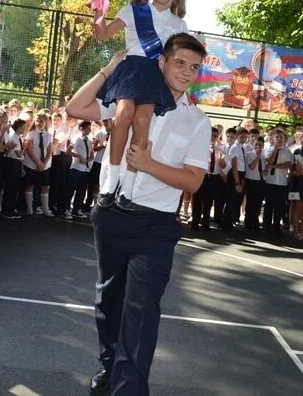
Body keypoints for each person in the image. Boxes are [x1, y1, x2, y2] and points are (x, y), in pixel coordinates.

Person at [66, 32, 209, 396]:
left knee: (141, 309)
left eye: (194, 66)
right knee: (108, 299)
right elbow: (75, 108)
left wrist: (149, 164)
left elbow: (193, 181)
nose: (187, 71)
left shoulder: (197, 121)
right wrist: (110, 67)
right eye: (180, 62)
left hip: (155, 225)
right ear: (160, 62)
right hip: (111, 213)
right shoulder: (127, 97)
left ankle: (128, 388)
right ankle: (110, 365)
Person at [92, 0, 189, 210]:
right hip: (132, 68)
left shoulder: (179, 25)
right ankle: (111, 181)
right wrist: (98, 13)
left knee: (142, 121)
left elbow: (178, 58)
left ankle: (128, 185)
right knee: (122, 116)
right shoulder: (133, 11)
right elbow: (102, 36)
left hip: (155, 74)